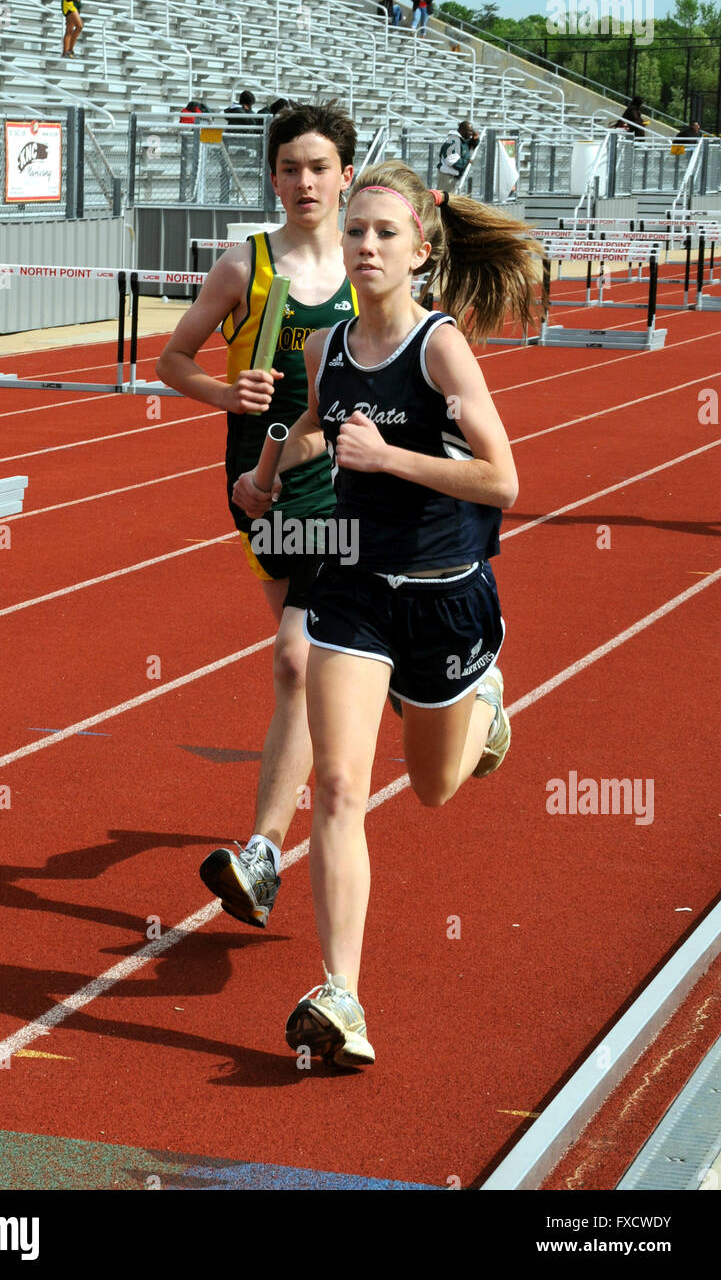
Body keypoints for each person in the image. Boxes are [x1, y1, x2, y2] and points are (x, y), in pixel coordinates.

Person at [233, 160, 542, 1067]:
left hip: (447, 594)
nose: (364, 246)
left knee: (438, 787)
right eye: (355, 232)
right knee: (337, 788)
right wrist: (265, 477)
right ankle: (343, 997)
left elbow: (503, 480)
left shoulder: (440, 347)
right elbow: (319, 424)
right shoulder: (325, 348)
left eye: (383, 235)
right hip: (355, 591)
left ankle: (484, 702)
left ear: (419, 254)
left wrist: (394, 459)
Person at [156, 103, 359, 929]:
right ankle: (464, 680)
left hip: (346, 480)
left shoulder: (368, 263)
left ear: (345, 175)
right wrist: (221, 390)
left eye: (317, 168)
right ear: (271, 177)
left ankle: (263, 853)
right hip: (257, 483)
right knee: (309, 666)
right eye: (288, 168)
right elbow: (170, 359)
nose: (302, 183)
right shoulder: (246, 267)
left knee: (293, 660)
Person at [437, 120, 479, 193]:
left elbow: (470, 145)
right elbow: (452, 161)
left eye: (472, 131)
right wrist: (466, 161)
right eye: (469, 131)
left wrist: (475, 139)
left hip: (454, 177)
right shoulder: (453, 141)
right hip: (448, 177)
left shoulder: (461, 140)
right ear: (462, 130)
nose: (471, 134)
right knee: (444, 201)